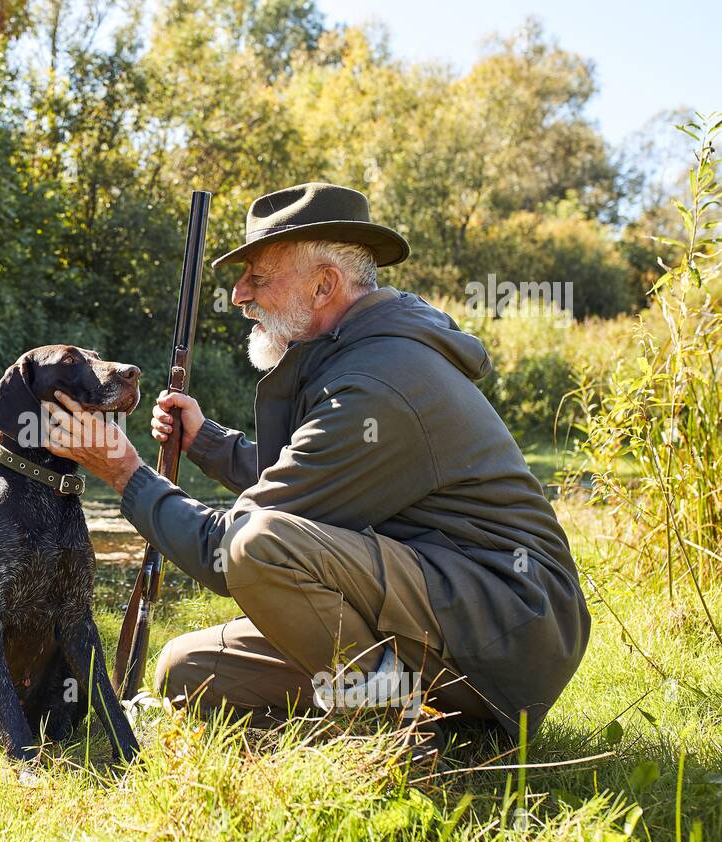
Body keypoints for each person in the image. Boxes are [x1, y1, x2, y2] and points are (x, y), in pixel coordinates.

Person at [42, 181, 590, 746]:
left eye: (257, 277)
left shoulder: (378, 383)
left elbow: (230, 550)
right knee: (186, 670)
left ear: (324, 283)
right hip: (440, 603)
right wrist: (207, 442)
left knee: (254, 546)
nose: (237, 295)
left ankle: (391, 733)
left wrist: (124, 472)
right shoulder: (360, 353)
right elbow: (313, 477)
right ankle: (399, 714)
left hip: (507, 626)